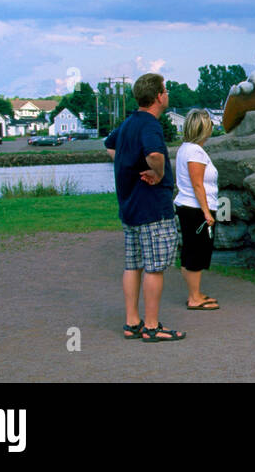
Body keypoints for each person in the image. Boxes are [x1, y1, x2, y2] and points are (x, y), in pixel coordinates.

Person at [106, 73, 185, 343]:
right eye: (166, 90)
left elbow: (109, 146)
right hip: (152, 208)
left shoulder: (129, 123)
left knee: (133, 264)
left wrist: (129, 166)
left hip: (129, 207)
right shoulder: (151, 125)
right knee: (154, 267)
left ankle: (132, 322)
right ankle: (152, 326)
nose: (167, 94)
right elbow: (154, 154)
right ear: (158, 97)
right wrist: (158, 173)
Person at [174, 109, 220, 311]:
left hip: (189, 207)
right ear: (203, 129)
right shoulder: (195, 152)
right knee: (197, 252)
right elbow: (197, 184)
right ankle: (194, 298)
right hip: (195, 209)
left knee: (190, 250)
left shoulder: (185, 148)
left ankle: (196, 293)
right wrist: (207, 213)